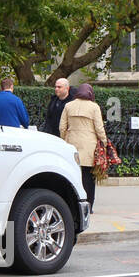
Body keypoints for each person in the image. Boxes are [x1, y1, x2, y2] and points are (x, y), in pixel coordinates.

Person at [59, 82, 107, 211]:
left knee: (72, 176)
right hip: (89, 145)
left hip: (71, 143)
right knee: (88, 178)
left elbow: (62, 127)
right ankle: (88, 206)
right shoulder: (94, 107)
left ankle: (72, 205)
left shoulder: (68, 105)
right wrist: (104, 141)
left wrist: (65, 140)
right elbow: (99, 127)